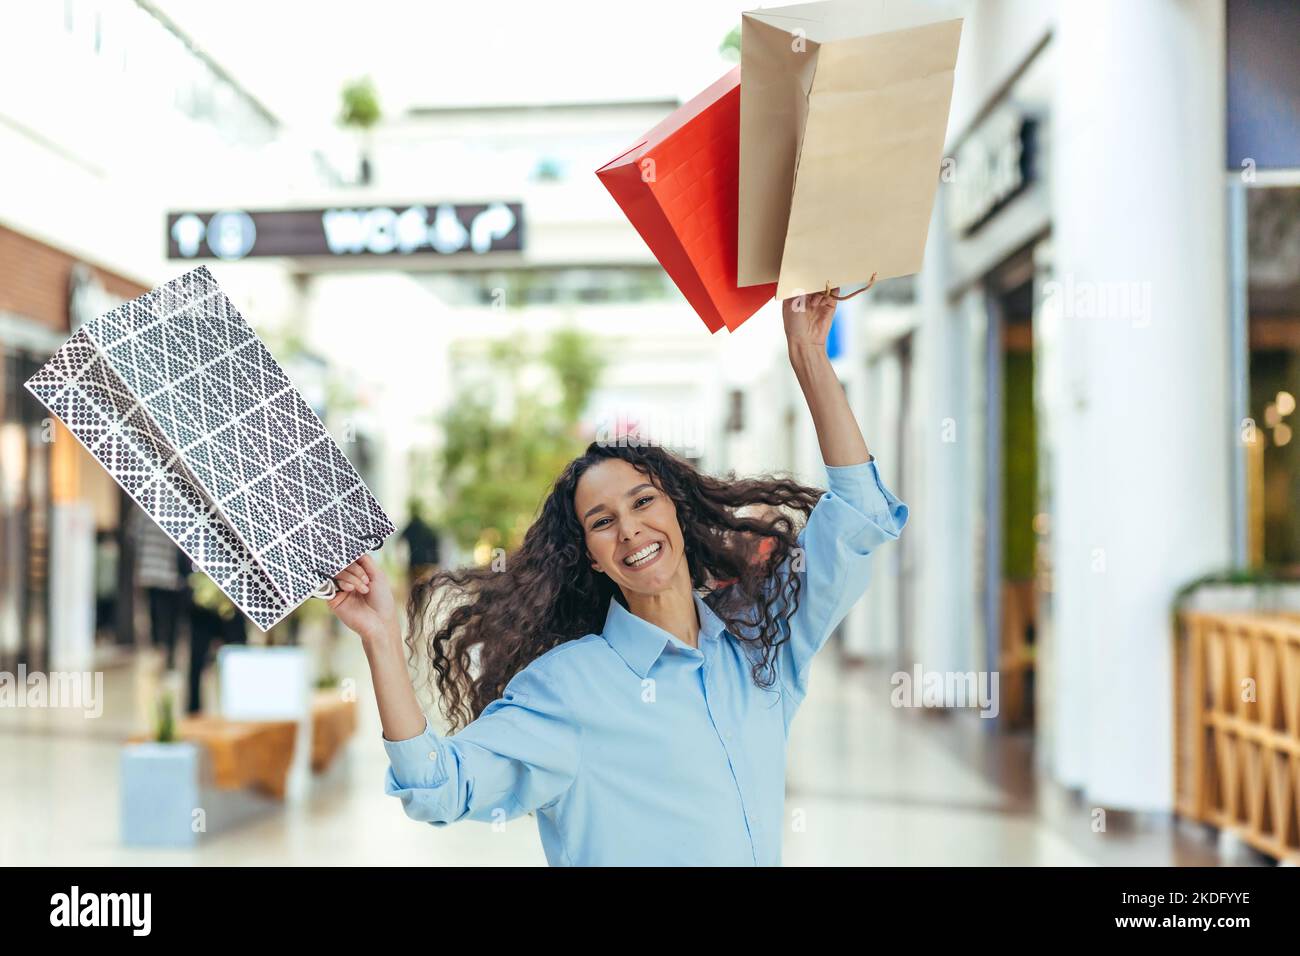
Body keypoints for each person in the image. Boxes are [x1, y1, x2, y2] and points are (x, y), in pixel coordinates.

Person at [327, 290, 909, 865]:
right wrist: (380, 636)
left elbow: (858, 520)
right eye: (603, 522)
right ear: (591, 558)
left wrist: (808, 353)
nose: (630, 530)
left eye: (643, 502)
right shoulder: (568, 689)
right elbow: (438, 786)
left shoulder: (757, 647)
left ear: (677, 511)